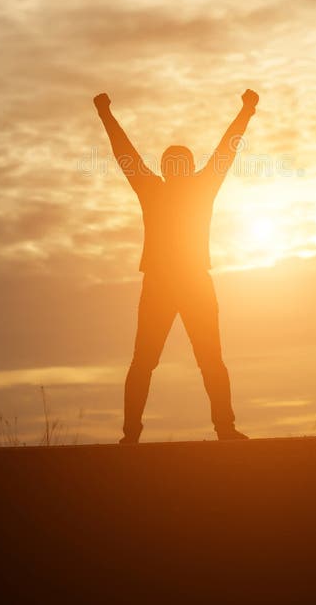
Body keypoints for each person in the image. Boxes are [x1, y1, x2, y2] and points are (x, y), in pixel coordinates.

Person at [93, 88, 259, 443]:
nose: (177, 169)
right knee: (154, 362)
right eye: (174, 163)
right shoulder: (170, 188)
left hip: (185, 282)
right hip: (169, 283)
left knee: (201, 360)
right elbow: (126, 153)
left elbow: (226, 148)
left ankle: (222, 429)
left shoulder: (184, 187)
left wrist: (246, 112)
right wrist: (105, 116)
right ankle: (137, 435)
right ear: (169, 169)